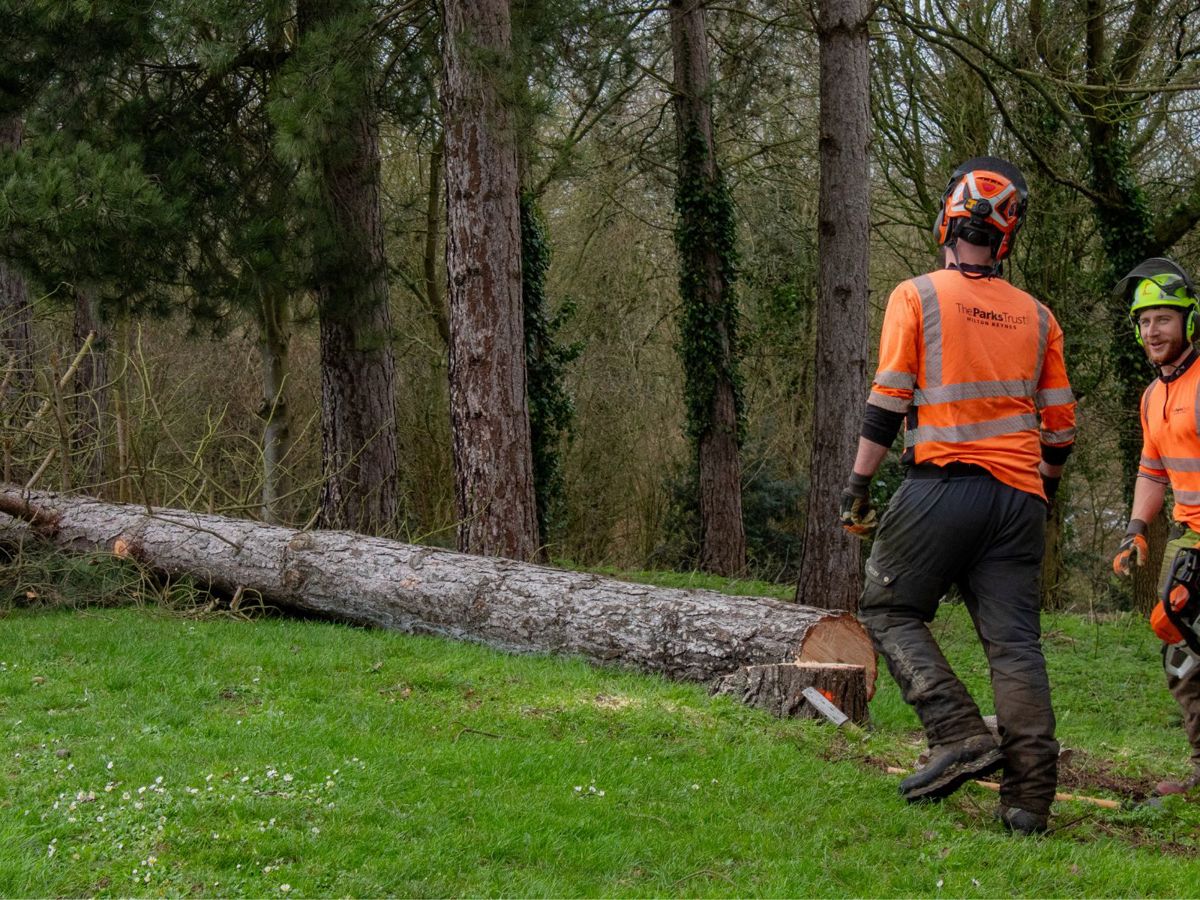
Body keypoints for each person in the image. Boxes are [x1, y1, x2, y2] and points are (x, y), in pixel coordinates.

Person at [839, 157, 1076, 835]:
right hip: (1020, 500)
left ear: (948, 217)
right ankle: (1030, 802)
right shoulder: (1039, 316)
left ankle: (957, 733)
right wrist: (1042, 498)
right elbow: (1060, 427)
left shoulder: (918, 295)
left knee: (888, 605)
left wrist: (859, 485)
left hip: (943, 484)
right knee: (1015, 647)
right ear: (1008, 235)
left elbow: (888, 401)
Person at [1110, 258, 1200, 797]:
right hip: (1187, 538)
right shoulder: (1153, 396)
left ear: (1189, 321)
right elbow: (1152, 470)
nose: (1152, 332)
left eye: (1163, 319)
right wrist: (1136, 530)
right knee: (1181, 646)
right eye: (1143, 322)